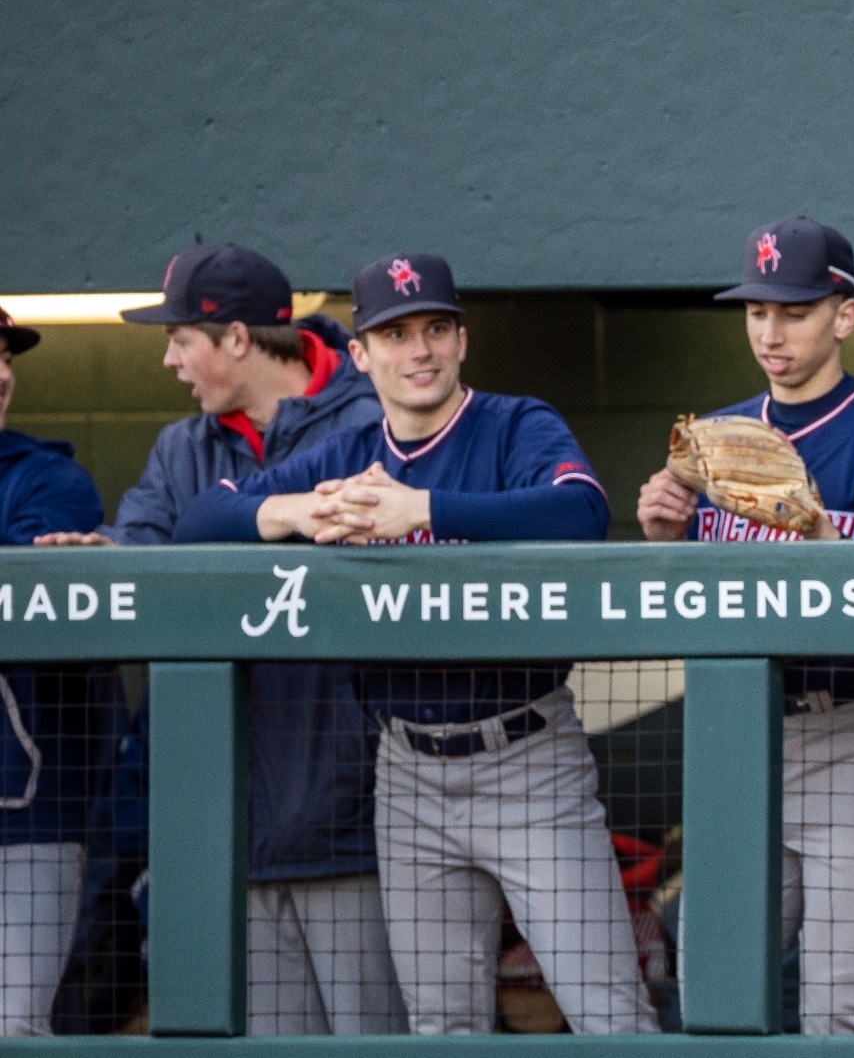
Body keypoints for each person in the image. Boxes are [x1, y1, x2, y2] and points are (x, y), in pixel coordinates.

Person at [172, 251, 655, 1035]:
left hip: (526, 756)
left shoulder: (514, 425)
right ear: (361, 357)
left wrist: (424, 509)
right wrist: (292, 512)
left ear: (462, 340)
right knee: (441, 1028)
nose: (420, 350)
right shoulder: (345, 458)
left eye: (436, 328)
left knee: (610, 1015)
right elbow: (196, 522)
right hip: (406, 773)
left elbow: (580, 510)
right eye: (395, 335)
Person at [36, 244, 403, 1035]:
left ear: (237, 338)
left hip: (355, 820)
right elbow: (143, 543)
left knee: (373, 1041)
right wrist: (105, 554)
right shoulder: (184, 448)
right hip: (225, 823)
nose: (169, 361)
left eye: (180, 340)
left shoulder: (373, 421)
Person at [636, 218, 854, 1034]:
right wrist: (665, 541)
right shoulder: (717, 438)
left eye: (794, 311)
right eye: (757, 310)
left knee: (841, 1006)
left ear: (844, 314)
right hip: (743, 736)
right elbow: (686, 611)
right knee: (711, 984)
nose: (771, 332)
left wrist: (825, 539)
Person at [0, 308, 117, 1036]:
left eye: (6, 356)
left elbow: (25, 603)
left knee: (13, 1030)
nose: (2, 373)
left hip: (27, 813)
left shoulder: (48, 479)